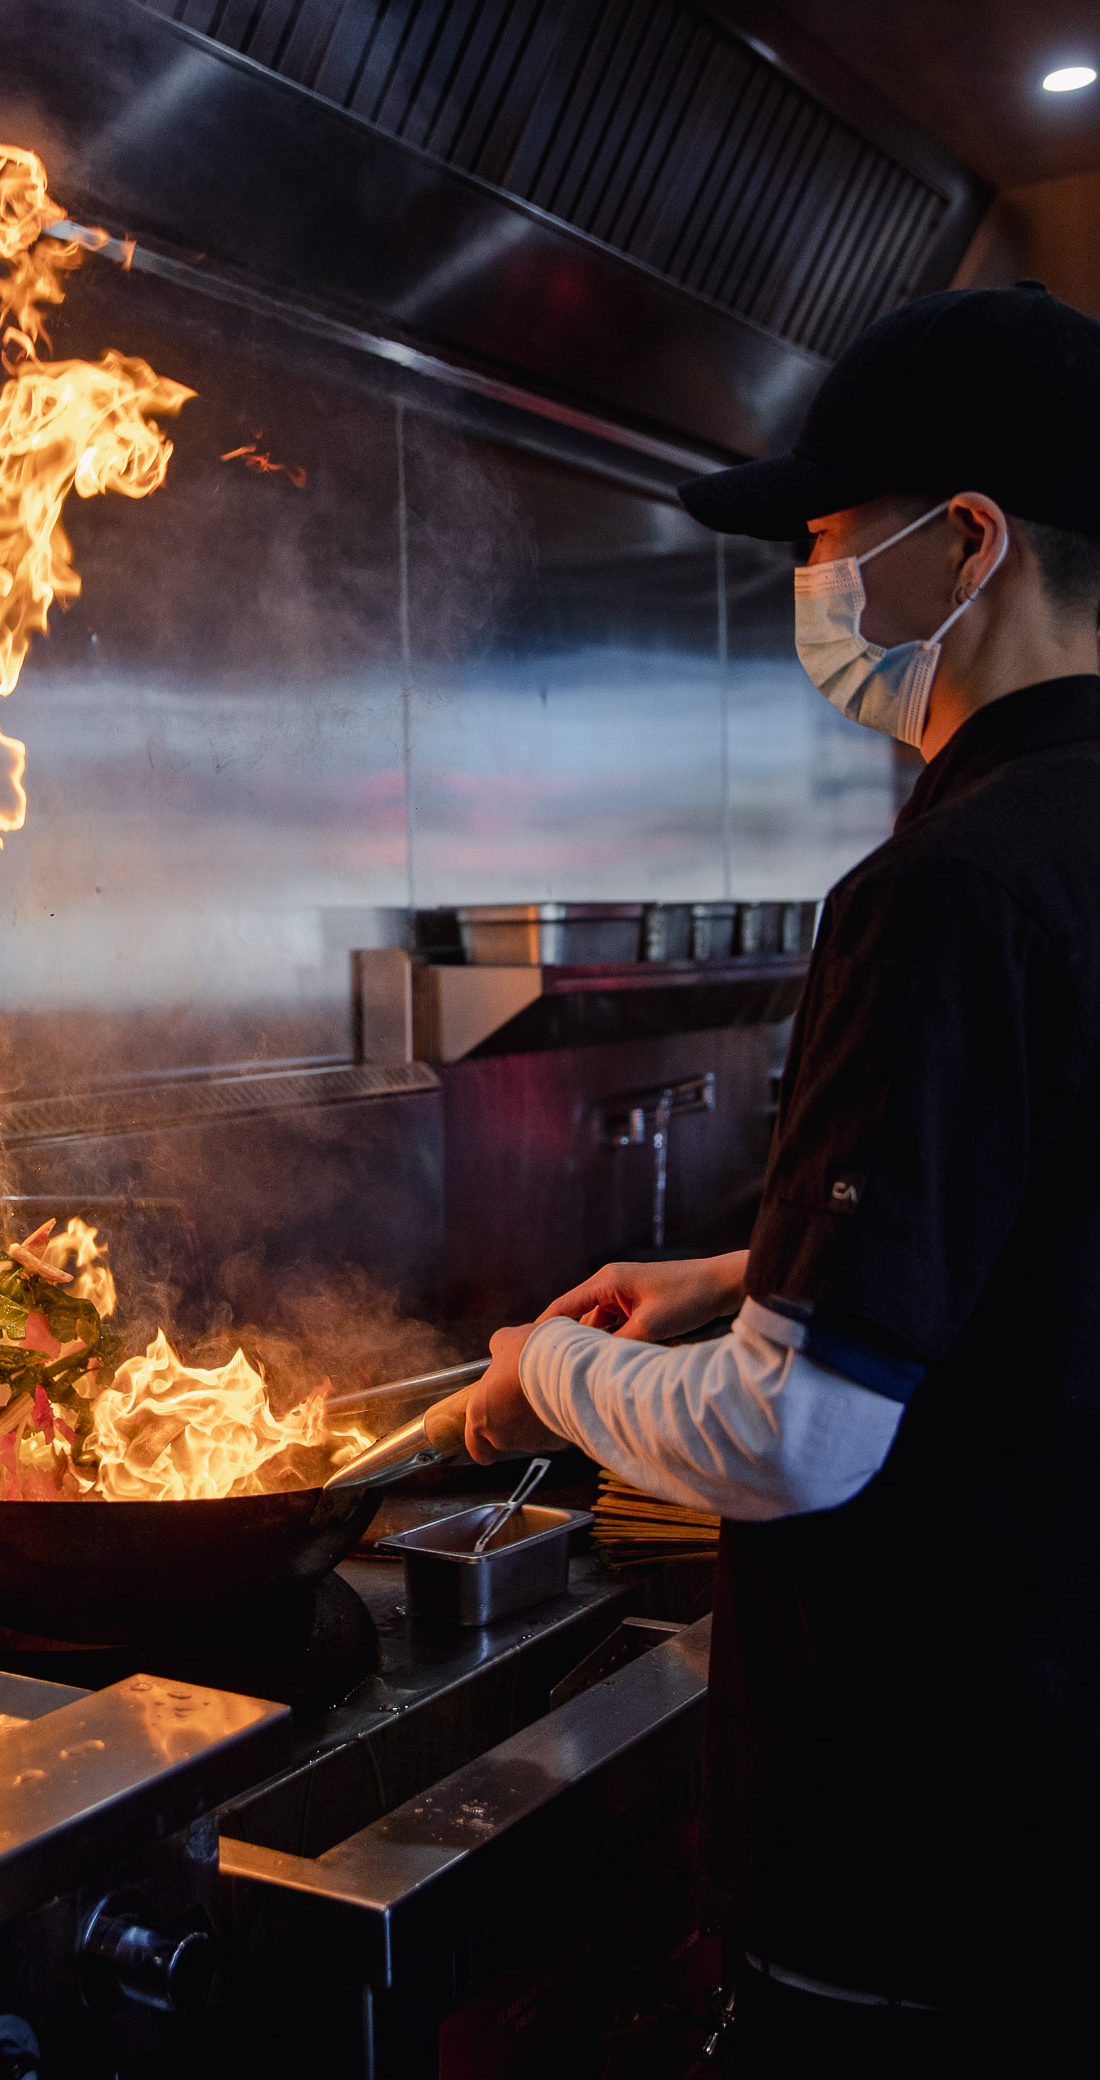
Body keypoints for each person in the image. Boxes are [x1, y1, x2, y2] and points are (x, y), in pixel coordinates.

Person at [461, 280, 1100, 2075]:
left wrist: (540, 1380)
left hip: (929, 1859)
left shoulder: (948, 886)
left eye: (831, 541)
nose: (811, 590)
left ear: (964, 543)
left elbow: (793, 1440)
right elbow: (1038, 1214)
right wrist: (737, 1277)